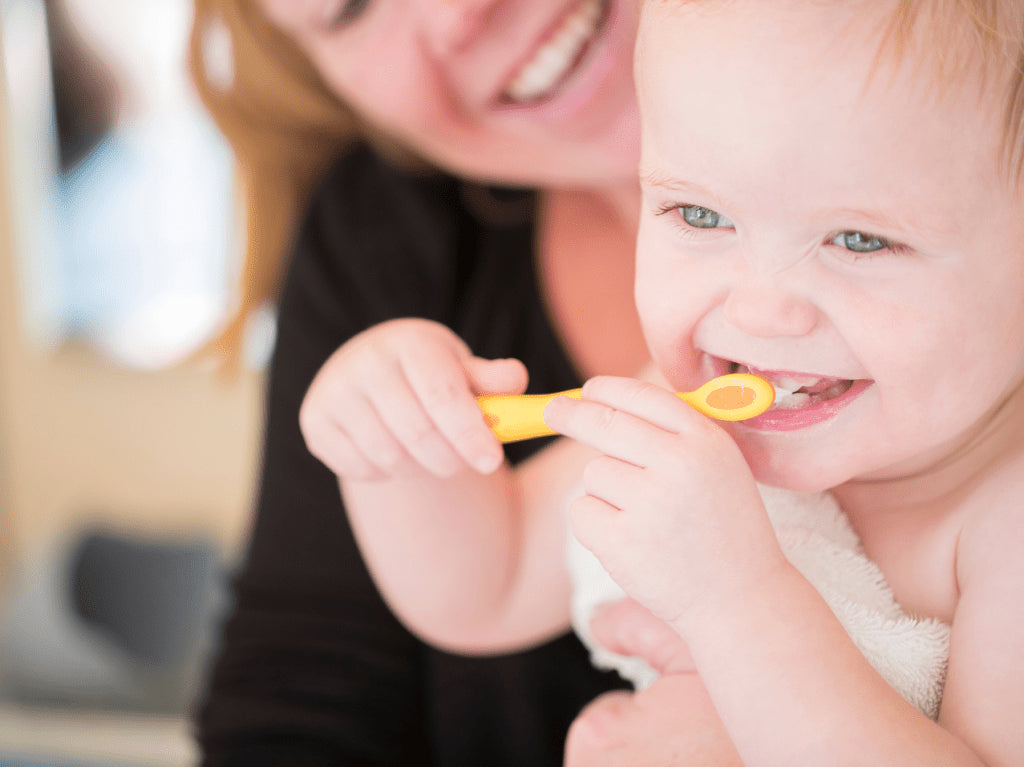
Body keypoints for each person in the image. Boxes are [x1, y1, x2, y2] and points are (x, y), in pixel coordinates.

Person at [303, 0, 1024, 765]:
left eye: (860, 239)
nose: (759, 311)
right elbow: (490, 583)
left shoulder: (1003, 521)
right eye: (700, 215)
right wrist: (396, 437)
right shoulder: (705, 418)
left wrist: (737, 599)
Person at [187, 1, 656, 765]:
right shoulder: (379, 239)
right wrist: (390, 449)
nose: (458, 13)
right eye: (347, 7)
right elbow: (485, 586)